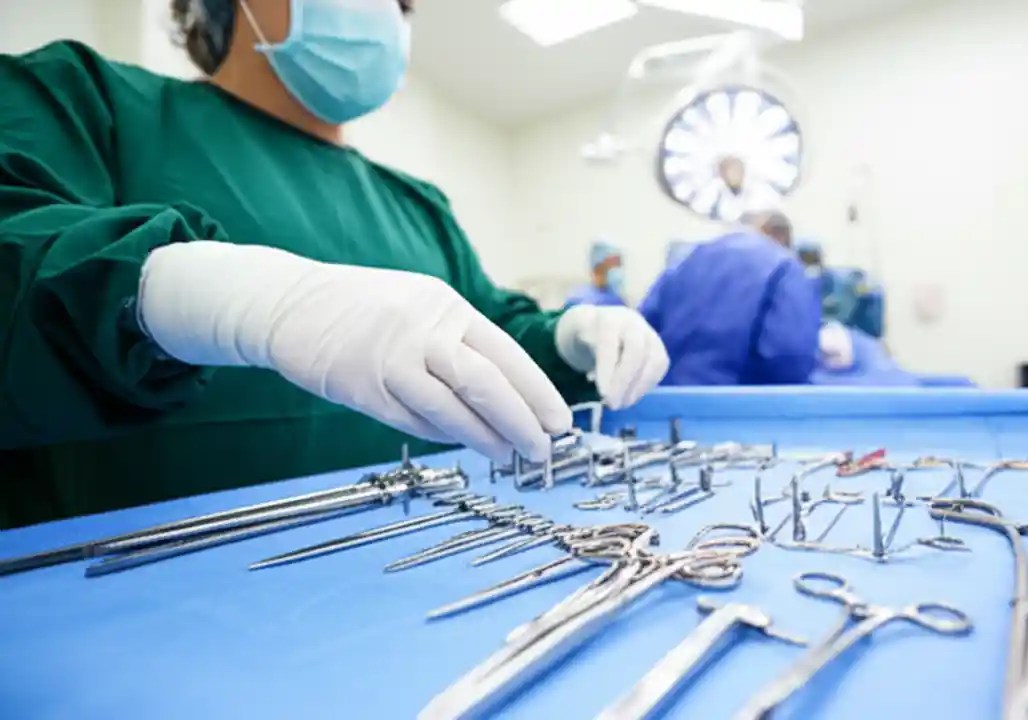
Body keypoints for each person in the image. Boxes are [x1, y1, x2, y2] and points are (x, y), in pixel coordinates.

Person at [0, 0, 668, 528]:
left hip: (426, 590)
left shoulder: (418, 206)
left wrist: (568, 340)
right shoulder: (83, 100)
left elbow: (492, 331)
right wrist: (203, 297)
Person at [640, 211, 820, 385]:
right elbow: (789, 355)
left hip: (670, 404)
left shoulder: (686, 259)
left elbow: (644, 332)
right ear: (782, 238)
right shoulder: (785, 267)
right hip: (740, 407)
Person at [564, 240, 627, 309]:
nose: (616, 269)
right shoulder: (579, 299)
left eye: (618, 264)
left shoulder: (618, 301)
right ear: (597, 269)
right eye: (612, 264)